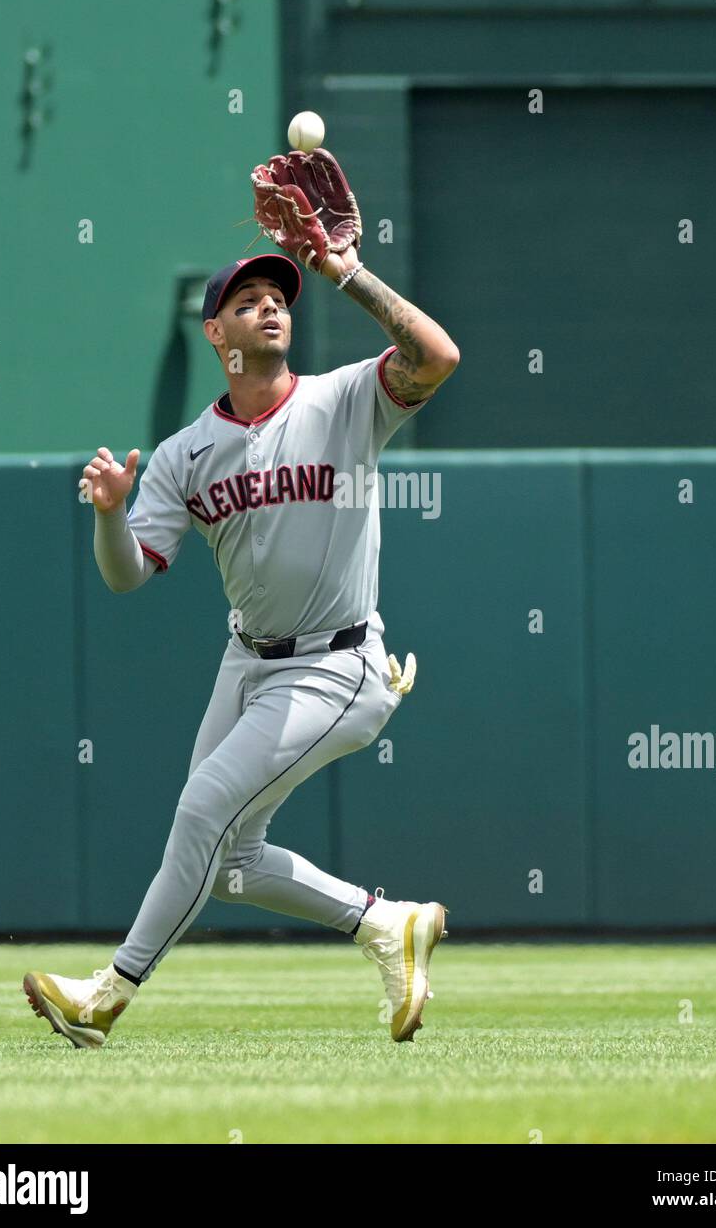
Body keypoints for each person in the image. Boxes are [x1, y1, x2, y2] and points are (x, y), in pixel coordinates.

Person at [23, 239, 460, 1047]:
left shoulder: (344, 400)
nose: (270, 306)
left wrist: (345, 271)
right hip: (248, 661)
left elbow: (437, 355)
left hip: (338, 664)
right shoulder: (188, 452)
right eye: (246, 299)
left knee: (200, 810)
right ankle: (384, 924)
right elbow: (127, 576)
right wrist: (110, 514)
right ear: (216, 335)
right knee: (228, 863)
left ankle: (108, 995)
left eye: (280, 297)